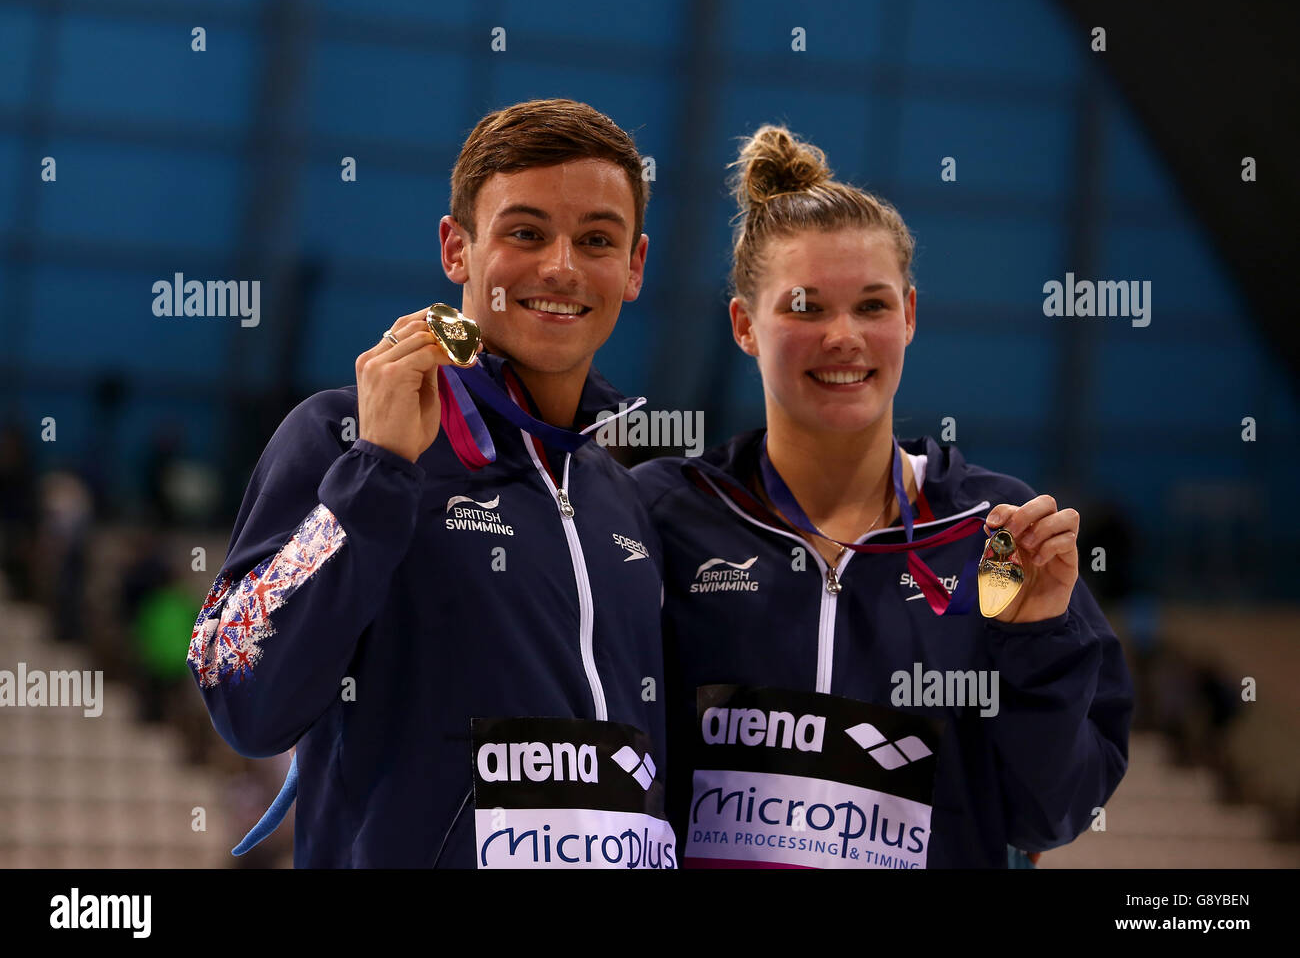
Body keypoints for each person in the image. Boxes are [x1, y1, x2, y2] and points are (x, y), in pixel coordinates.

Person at [188, 99, 675, 869]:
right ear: (457, 248)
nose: (560, 266)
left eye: (596, 240)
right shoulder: (340, 438)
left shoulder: (622, 500)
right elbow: (240, 693)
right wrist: (378, 471)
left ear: (635, 266)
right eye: (525, 232)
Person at [633, 126, 1133, 869]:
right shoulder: (664, 515)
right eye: (805, 307)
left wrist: (1037, 640)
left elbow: (1051, 813)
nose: (844, 336)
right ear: (745, 325)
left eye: (871, 305)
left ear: (909, 316)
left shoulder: (992, 534)